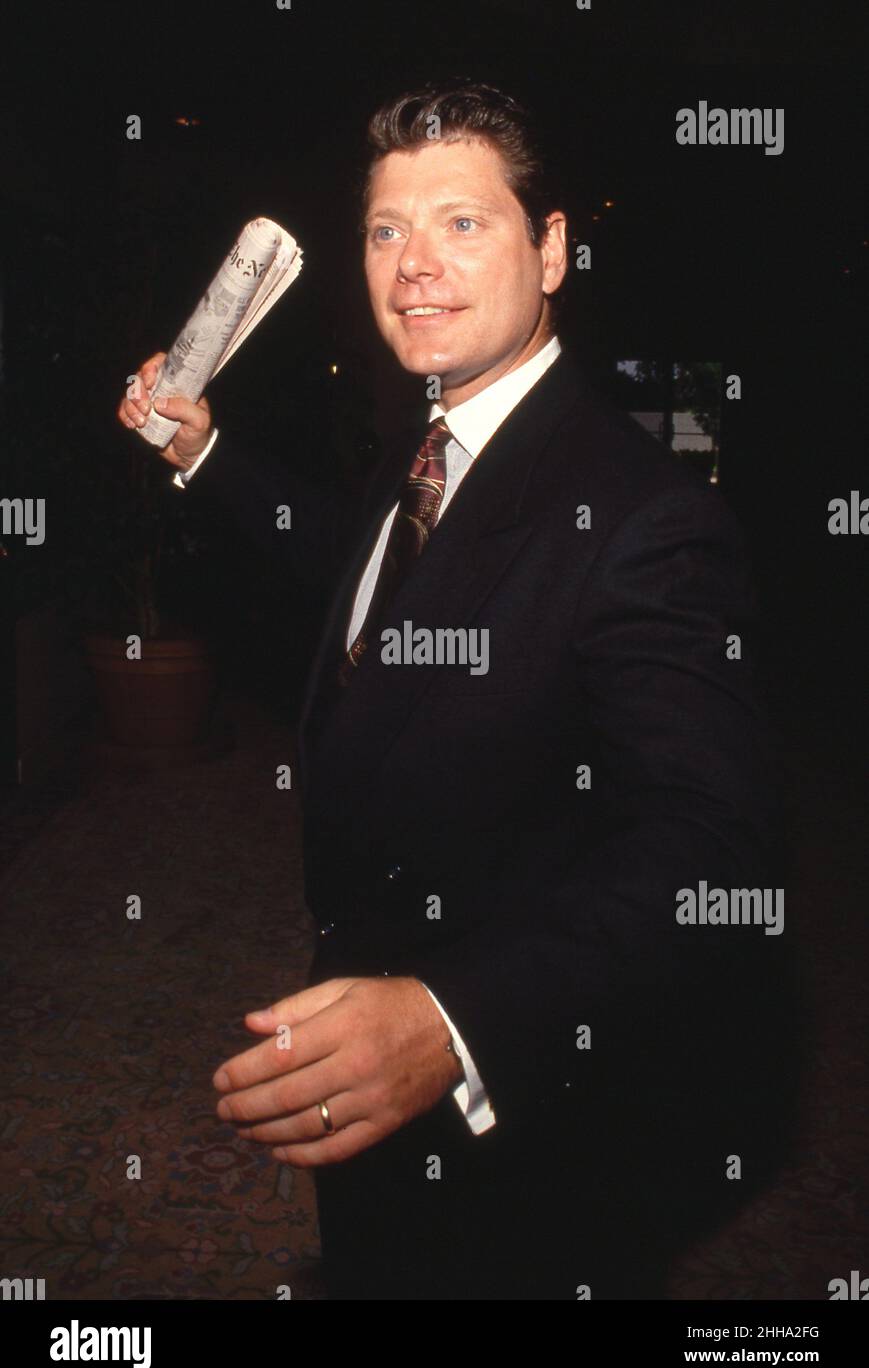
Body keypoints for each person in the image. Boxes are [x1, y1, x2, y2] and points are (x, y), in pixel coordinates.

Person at [118, 81, 785, 1300]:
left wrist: (453, 1019)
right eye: (386, 230)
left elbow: (714, 849)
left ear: (552, 249)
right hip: (373, 1056)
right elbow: (364, 576)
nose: (415, 265)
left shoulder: (645, 518)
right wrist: (199, 450)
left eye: (463, 223)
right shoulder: (432, 440)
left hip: (523, 1113)